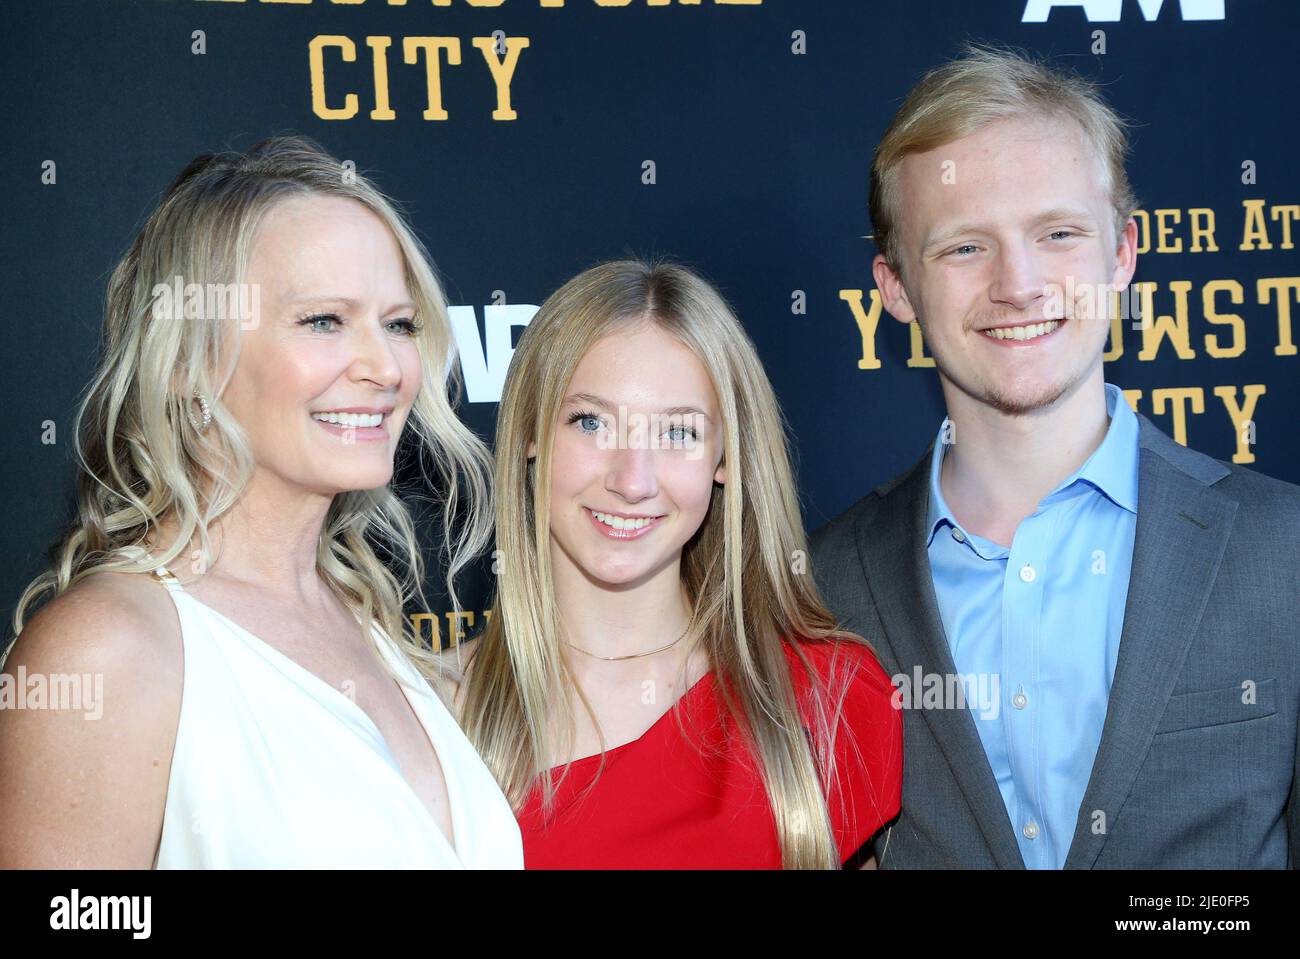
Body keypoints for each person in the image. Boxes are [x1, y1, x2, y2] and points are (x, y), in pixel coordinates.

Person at [810, 44, 1300, 869]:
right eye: (965, 247)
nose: (1021, 283)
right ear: (895, 286)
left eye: (1060, 233)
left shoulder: (1282, 551)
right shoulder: (822, 590)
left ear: (1121, 256)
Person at [0, 135, 523, 869]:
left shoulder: (367, 626)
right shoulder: (111, 648)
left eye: (398, 323)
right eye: (324, 321)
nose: (386, 367)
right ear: (187, 360)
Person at [443, 258, 901, 869]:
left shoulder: (826, 699)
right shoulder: (432, 712)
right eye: (592, 422)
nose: (632, 482)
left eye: (678, 433)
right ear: (530, 434)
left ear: (724, 458)